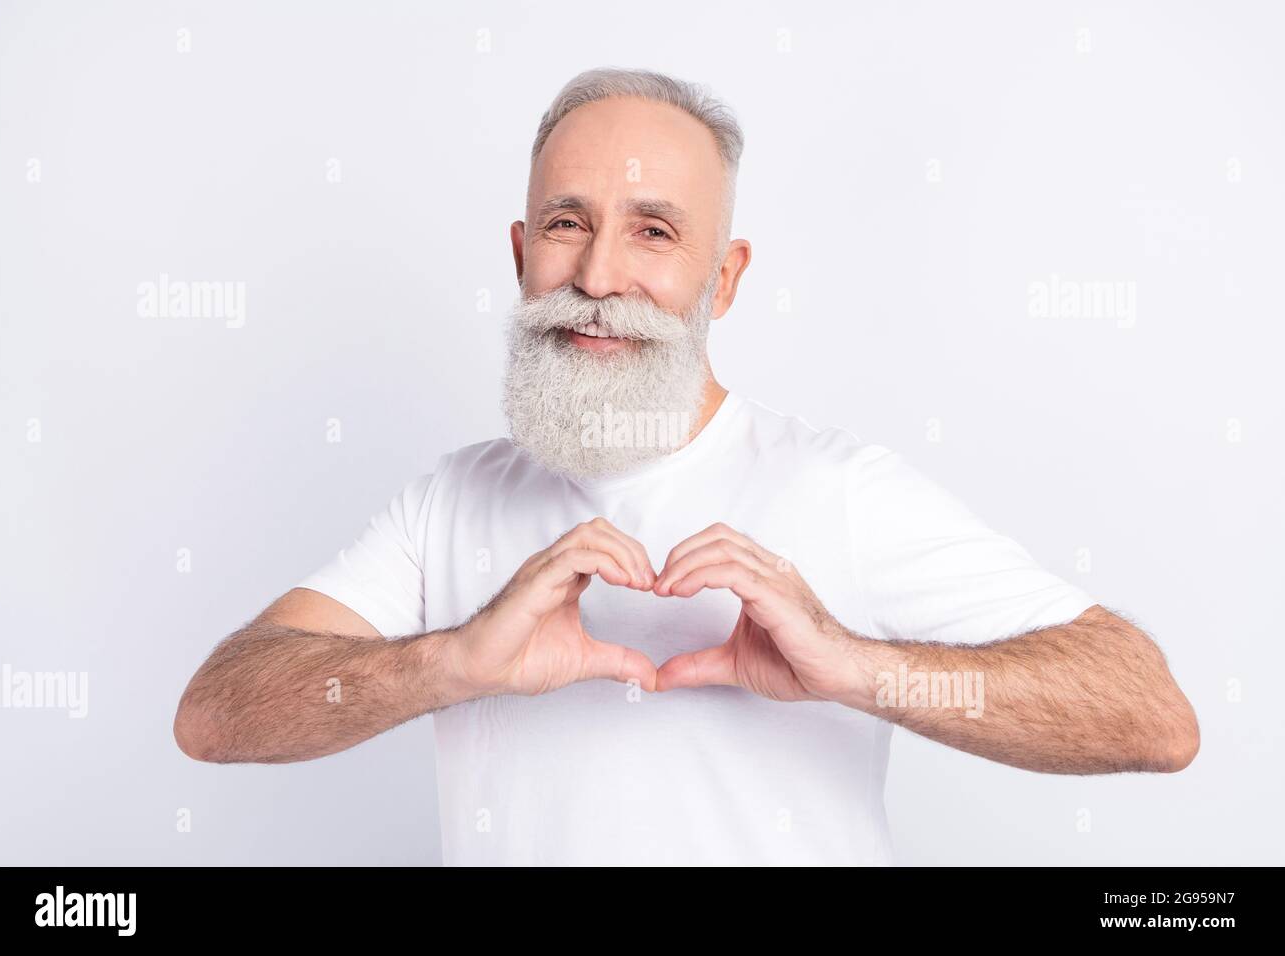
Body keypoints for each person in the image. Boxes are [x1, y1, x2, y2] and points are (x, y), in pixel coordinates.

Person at [174, 67, 1199, 866]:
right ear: (521, 251)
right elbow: (216, 712)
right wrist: (452, 662)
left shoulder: (835, 488)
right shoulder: (452, 499)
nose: (598, 275)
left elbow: (1151, 717)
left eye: (652, 231)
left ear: (725, 275)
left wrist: (855, 665)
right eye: (568, 224)